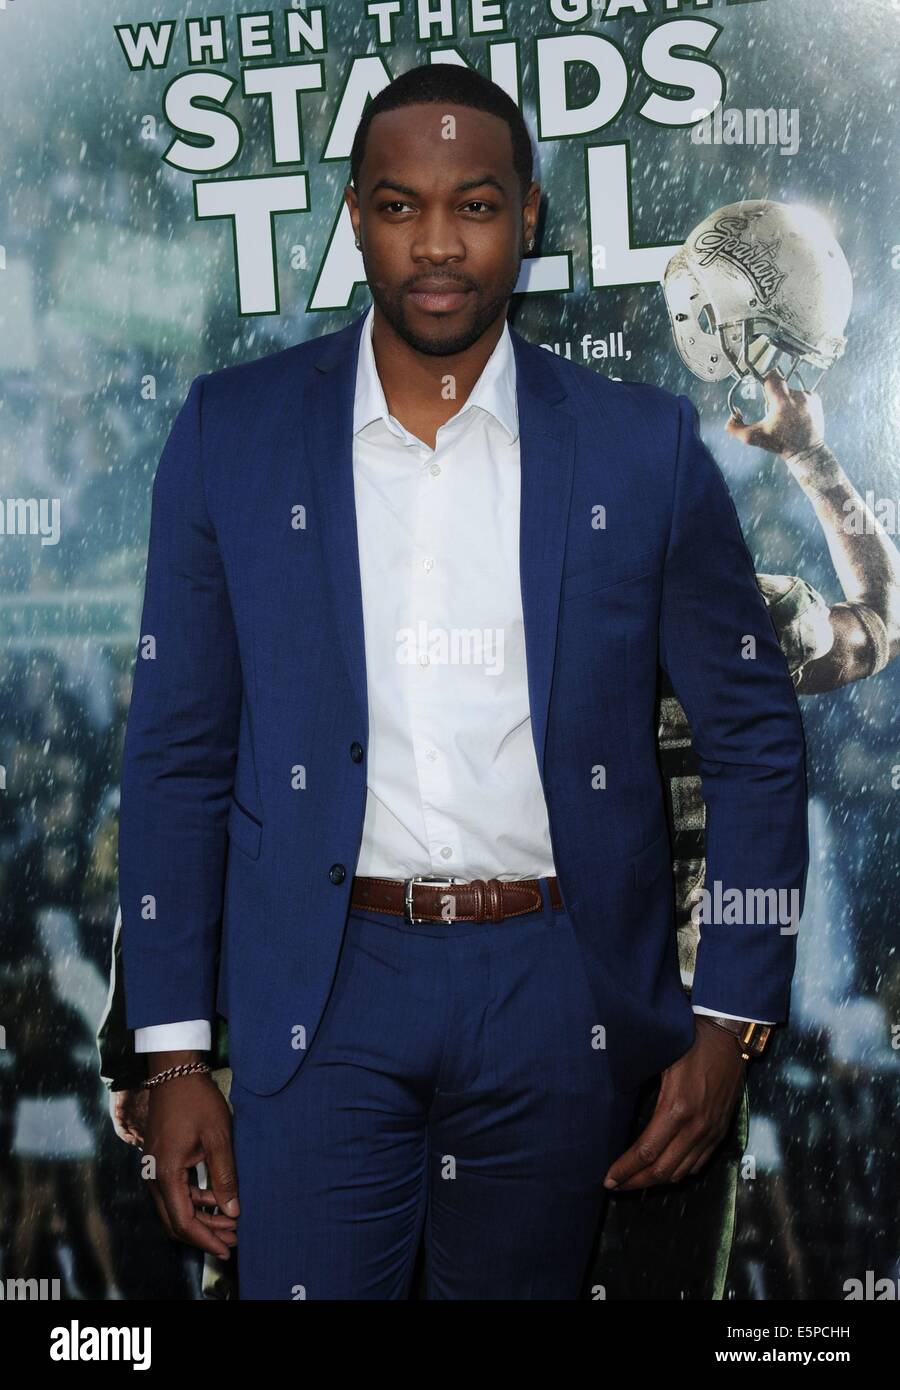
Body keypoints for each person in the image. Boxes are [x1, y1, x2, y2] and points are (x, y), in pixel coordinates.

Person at [117, 64, 809, 1300]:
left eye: (476, 205)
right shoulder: (237, 429)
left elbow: (755, 737)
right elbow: (177, 747)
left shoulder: (639, 445)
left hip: (555, 989)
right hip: (320, 993)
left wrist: (732, 1019)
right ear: (354, 218)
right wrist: (170, 1056)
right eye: (400, 206)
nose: (437, 244)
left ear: (529, 216)